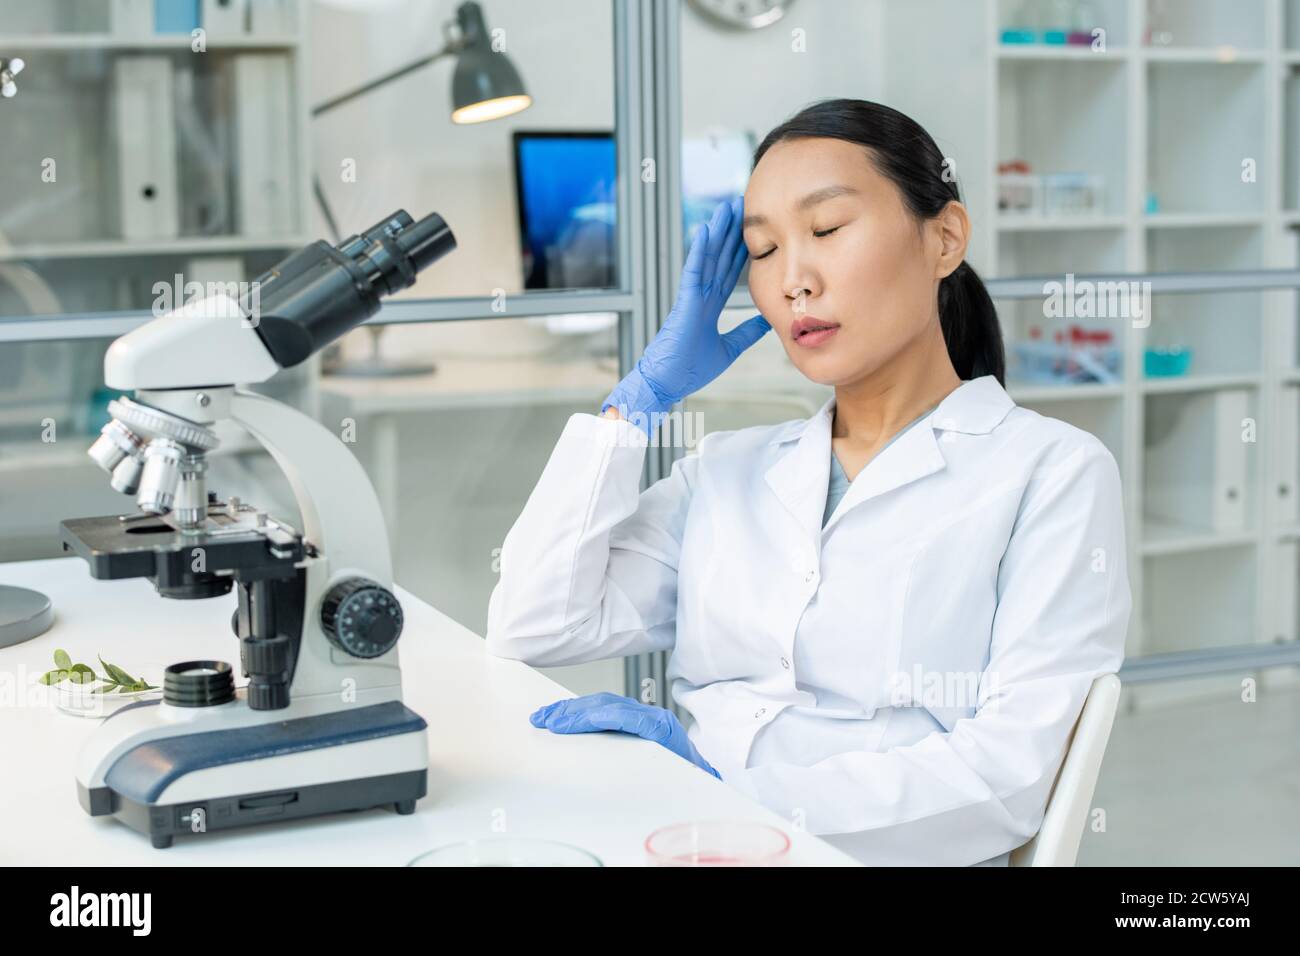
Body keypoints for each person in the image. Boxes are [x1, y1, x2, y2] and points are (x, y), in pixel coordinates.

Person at [486, 98, 1131, 866]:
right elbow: (534, 623)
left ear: (945, 237)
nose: (793, 280)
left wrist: (728, 791)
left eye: (826, 231)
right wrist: (639, 402)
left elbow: (1009, 778)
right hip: (683, 839)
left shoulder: (1050, 472)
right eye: (762, 250)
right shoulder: (728, 469)